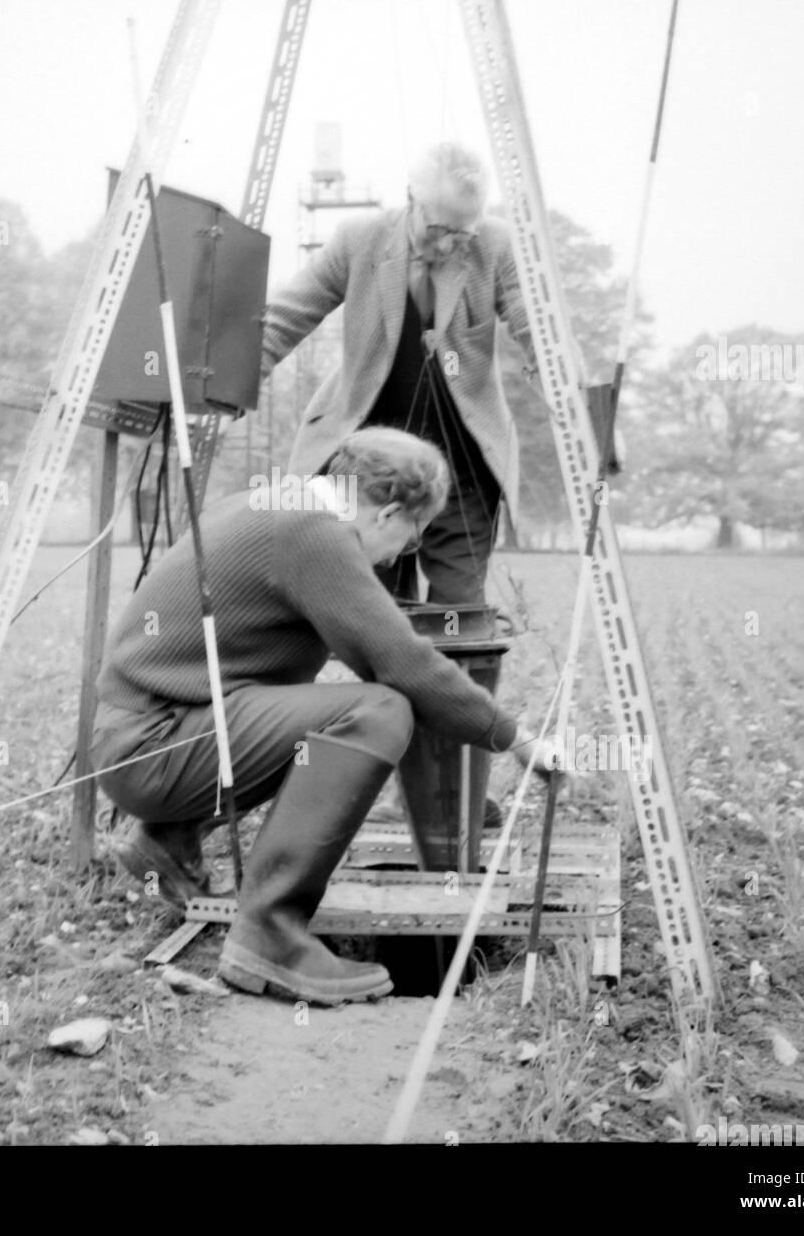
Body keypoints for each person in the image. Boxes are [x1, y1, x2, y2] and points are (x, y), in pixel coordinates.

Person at [89, 428, 556, 1006]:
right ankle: (270, 934)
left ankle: (170, 835)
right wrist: (515, 738)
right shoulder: (312, 532)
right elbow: (399, 662)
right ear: (387, 512)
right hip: (152, 747)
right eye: (410, 542)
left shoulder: (278, 504)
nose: (396, 559)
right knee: (376, 712)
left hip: (148, 737)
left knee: (323, 711)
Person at [259, 141, 539, 605]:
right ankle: (384, 680)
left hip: (461, 469)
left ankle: (457, 679)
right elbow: (284, 320)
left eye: (463, 234)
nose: (449, 245)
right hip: (371, 469)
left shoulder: (497, 245)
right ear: (412, 199)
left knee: (464, 615)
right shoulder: (358, 240)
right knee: (376, 611)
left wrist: (586, 408)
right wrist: (211, 395)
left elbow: (540, 334)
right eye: (439, 230)